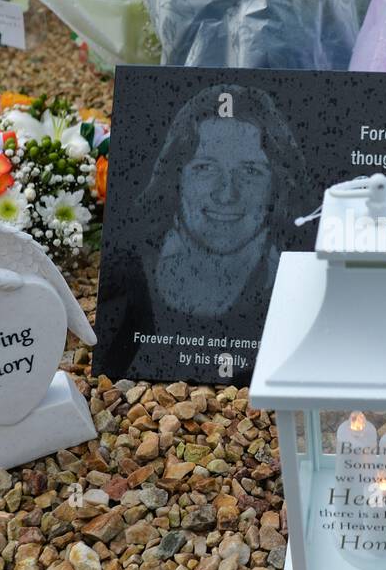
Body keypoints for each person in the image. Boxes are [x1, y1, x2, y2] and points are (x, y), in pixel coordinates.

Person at [96, 83, 307, 375]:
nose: (226, 194)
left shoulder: (303, 295)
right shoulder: (126, 281)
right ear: (176, 176)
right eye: (205, 168)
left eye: (250, 172)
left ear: (277, 186)